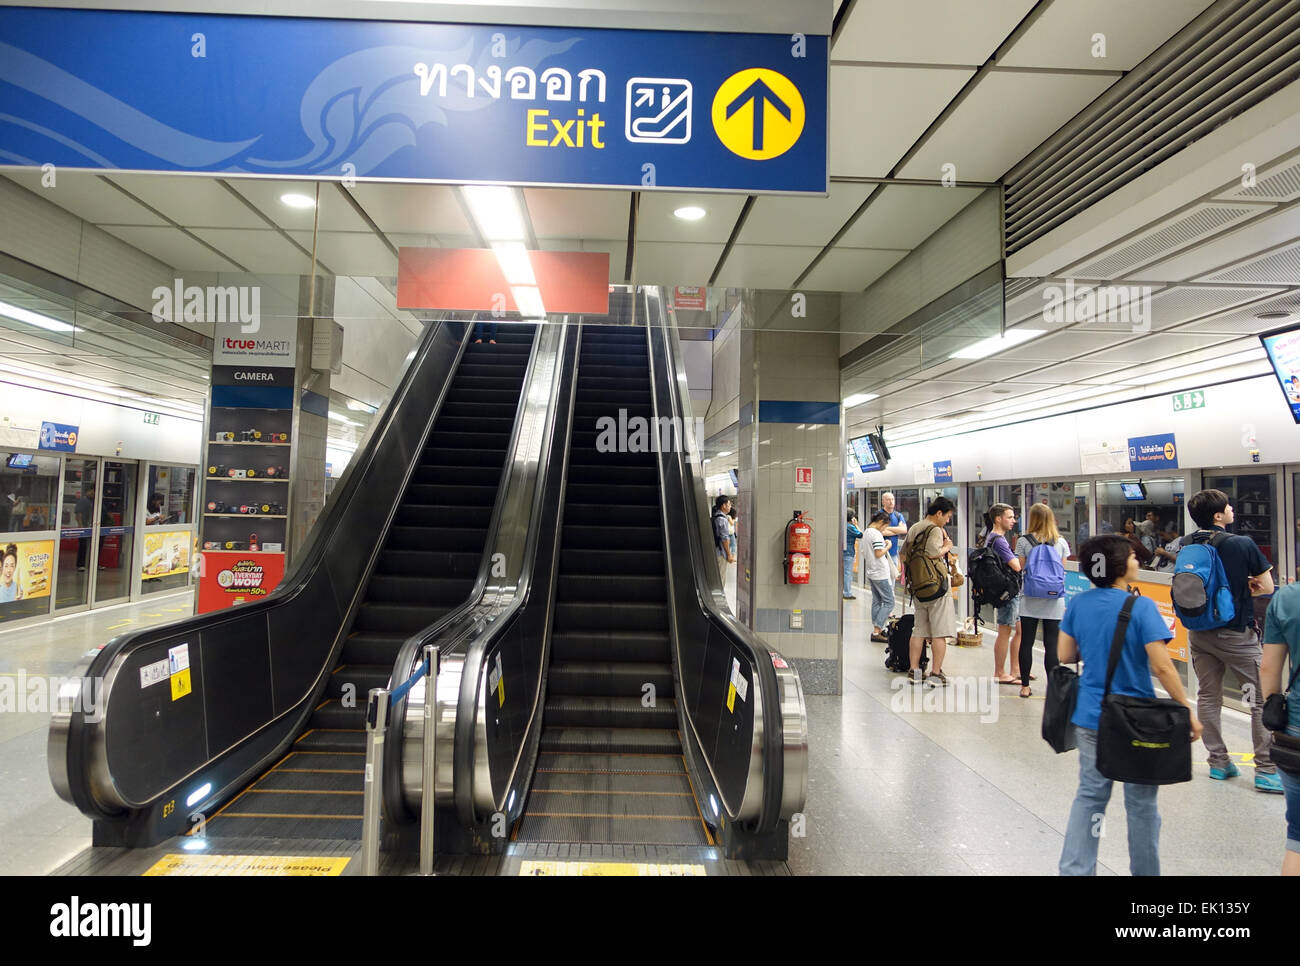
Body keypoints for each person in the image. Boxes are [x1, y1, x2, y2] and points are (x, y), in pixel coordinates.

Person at [1057, 534, 1201, 876]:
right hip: (1139, 721)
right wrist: (1186, 710)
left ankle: (1076, 870)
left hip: (1092, 716)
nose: (1138, 561)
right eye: (1133, 557)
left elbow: (1064, 655)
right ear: (1120, 567)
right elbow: (1162, 666)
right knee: (1141, 805)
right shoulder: (1141, 606)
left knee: (1090, 798)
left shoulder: (1079, 604)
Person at [1183, 488, 1280, 792]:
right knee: (1258, 700)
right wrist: (1245, 586)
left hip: (1199, 632)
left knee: (1209, 697)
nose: (1233, 511)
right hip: (1236, 634)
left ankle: (1218, 763)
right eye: (1228, 507)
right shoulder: (1241, 543)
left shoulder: (1187, 543)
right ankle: (1265, 769)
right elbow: (1267, 587)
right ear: (1218, 515)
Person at [1261, 584, 1300, 875]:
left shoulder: (1286, 598)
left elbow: (1269, 670)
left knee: (1297, 838)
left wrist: (1274, 709)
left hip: (1295, 733)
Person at [899, 497, 956, 688]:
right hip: (936, 588)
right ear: (939, 513)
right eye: (947, 517)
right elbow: (933, 553)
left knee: (919, 630)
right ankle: (936, 673)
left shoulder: (915, 527)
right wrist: (947, 547)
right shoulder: (935, 530)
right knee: (940, 633)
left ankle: (914, 671)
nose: (947, 521)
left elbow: (903, 554)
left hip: (918, 587)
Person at [1015, 503, 1069, 698]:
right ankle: (1053, 688)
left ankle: (1025, 686)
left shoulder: (1023, 541)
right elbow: (1061, 570)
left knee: (1027, 642)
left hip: (1030, 597)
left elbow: (1020, 567)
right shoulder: (1061, 542)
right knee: (1051, 644)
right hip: (1054, 600)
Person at [984, 503, 1023, 685]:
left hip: (1006, 591)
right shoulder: (998, 540)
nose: (1013, 521)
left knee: (1017, 630)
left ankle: (1015, 669)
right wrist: (1016, 558)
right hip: (1007, 591)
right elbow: (1016, 565)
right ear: (998, 519)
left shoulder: (991, 538)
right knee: (1004, 631)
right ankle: (1000, 672)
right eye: (1009, 517)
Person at [861, 510, 893, 641]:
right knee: (889, 601)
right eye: (885, 526)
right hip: (880, 572)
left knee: (877, 600)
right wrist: (888, 546)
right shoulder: (876, 534)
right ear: (881, 522)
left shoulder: (867, 532)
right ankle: (877, 630)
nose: (884, 529)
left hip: (871, 571)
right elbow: (879, 553)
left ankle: (876, 629)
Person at [879, 491, 907, 574]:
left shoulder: (898, 515)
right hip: (880, 553)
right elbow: (880, 532)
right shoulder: (878, 515)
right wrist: (897, 530)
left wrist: (887, 529)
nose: (891, 502)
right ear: (883, 502)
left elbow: (904, 530)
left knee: (892, 577)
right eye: (888, 500)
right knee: (882, 578)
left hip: (893, 553)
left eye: (892, 499)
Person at [712, 496, 734, 583]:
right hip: (720, 553)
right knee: (721, 578)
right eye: (729, 504)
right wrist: (729, 554)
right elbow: (725, 538)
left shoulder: (715, 517)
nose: (730, 506)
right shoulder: (723, 519)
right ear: (723, 506)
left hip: (715, 551)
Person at [74, 484, 94, 572]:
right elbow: (78, 514)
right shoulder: (83, 501)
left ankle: (86, 563)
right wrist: (81, 526)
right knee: (83, 545)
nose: (93, 494)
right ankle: (80, 564)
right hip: (83, 528)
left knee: (86, 546)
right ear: (89, 491)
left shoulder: (91, 501)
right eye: (93, 492)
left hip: (88, 527)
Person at [844, 509, 862, 600]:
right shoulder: (850, 527)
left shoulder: (841, 525)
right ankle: (847, 593)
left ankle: (842, 591)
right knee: (847, 573)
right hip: (848, 552)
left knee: (842, 573)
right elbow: (861, 534)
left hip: (841, 552)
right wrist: (856, 525)